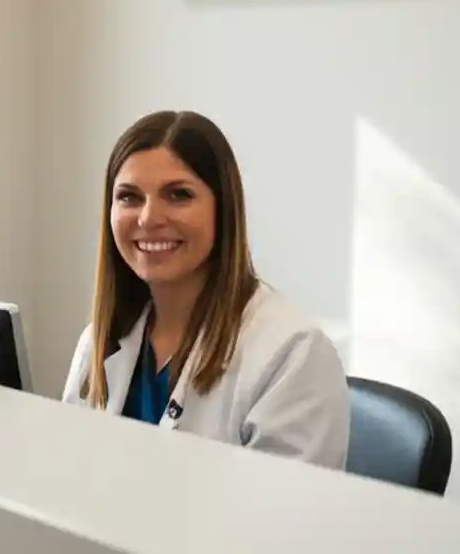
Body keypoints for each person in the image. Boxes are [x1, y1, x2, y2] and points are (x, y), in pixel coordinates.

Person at [61, 110, 350, 469]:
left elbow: (286, 518)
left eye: (178, 194)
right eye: (129, 197)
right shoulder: (99, 342)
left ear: (223, 209)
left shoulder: (292, 355)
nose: (149, 218)